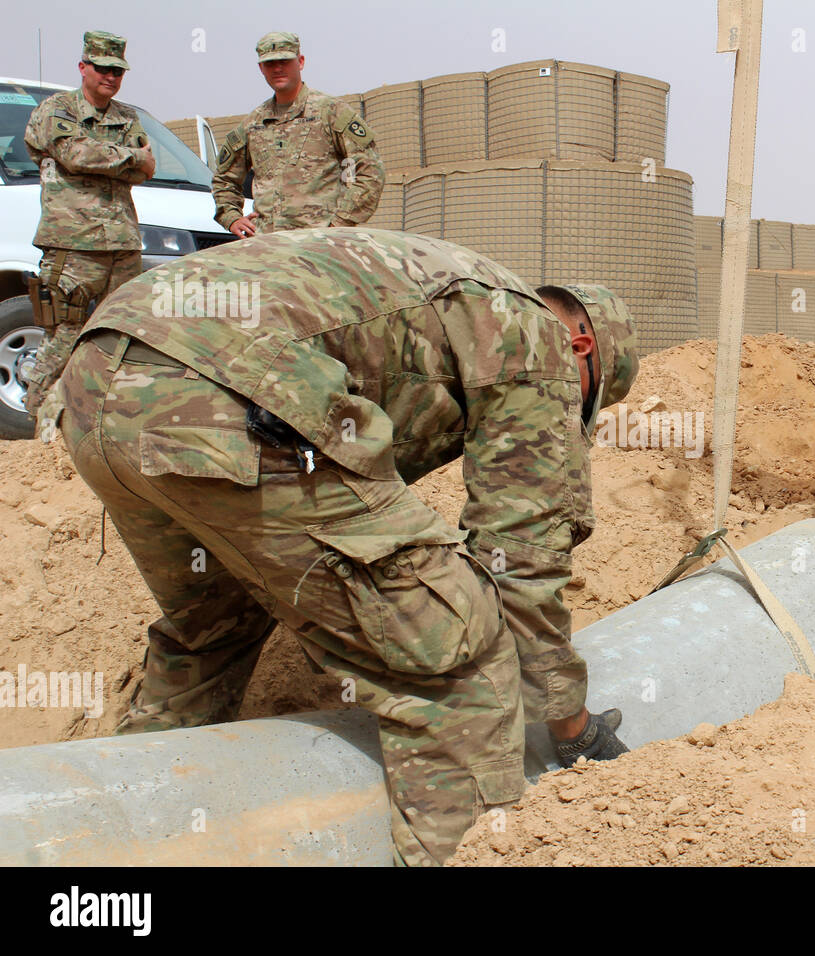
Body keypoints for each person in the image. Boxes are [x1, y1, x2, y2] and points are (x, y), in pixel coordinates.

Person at [54, 228, 637, 865]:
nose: (571, 413)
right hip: (223, 392)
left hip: (100, 380)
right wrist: (573, 731)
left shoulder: (448, 290)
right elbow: (523, 559)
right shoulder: (537, 337)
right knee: (460, 655)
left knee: (213, 626)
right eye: (587, 397)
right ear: (582, 346)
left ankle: (110, 851)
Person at [20, 30, 155, 423]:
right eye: (103, 69)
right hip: (72, 246)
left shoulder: (127, 117)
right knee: (63, 338)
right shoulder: (56, 110)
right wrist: (130, 157)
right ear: (83, 67)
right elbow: (75, 154)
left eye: (118, 71)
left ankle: (109, 427)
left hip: (123, 245)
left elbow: (149, 169)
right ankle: (40, 426)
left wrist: (118, 159)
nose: (110, 77)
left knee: (124, 337)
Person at [211, 31, 384, 238]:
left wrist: (338, 224)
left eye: (284, 61)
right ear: (261, 69)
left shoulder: (330, 112)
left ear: (300, 62)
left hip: (320, 246)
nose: (277, 68)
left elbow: (371, 172)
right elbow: (224, 180)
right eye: (270, 63)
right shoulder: (253, 124)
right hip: (268, 246)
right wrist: (231, 217)